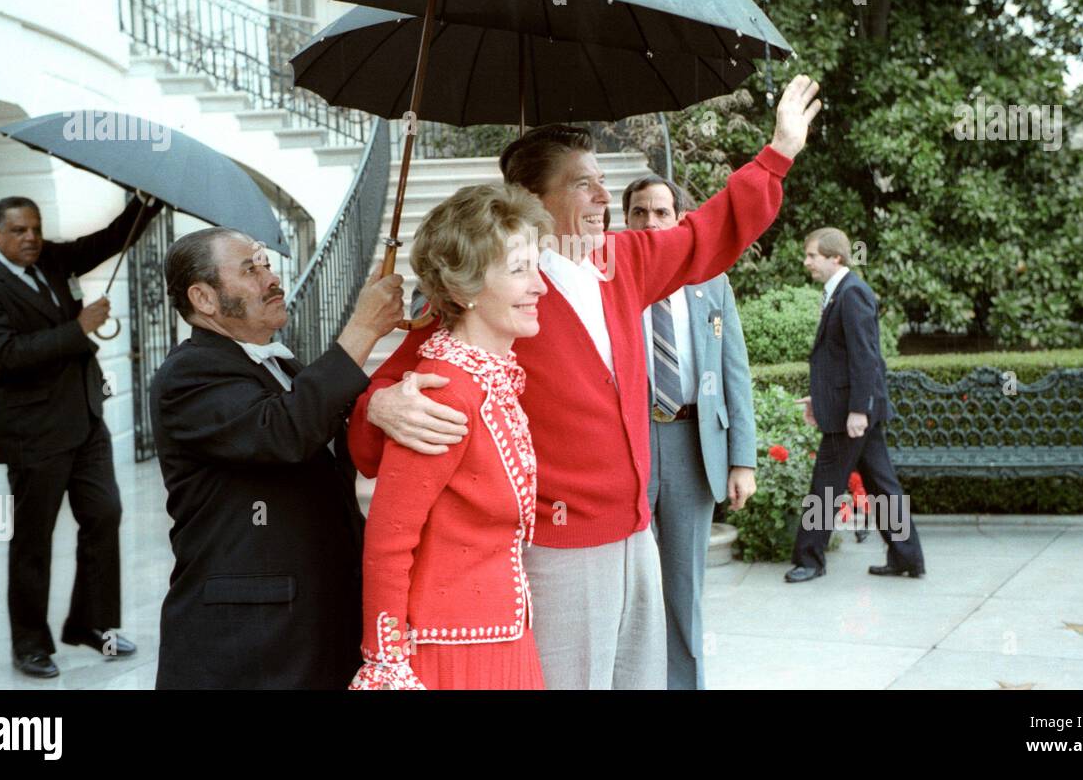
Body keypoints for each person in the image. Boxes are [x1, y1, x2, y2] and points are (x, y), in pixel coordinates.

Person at [350, 75, 821, 689]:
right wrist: (381, 404)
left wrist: (776, 154)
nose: (604, 195)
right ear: (530, 196)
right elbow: (384, 404)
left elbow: (707, 233)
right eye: (582, 182)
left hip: (636, 535)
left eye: (601, 180)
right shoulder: (491, 292)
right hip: (557, 554)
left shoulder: (623, 260)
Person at [151, 228, 401, 689]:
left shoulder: (275, 363)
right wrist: (363, 328)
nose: (272, 277)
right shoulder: (187, 374)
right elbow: (284, 432)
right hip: (250, 643)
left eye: (266, 263)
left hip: (315, 622)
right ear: (204, 298)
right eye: (251, 268)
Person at [351, 184, 551, 690]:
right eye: (518, 270)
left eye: (536, 265)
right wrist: (386, 660)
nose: (540, 286)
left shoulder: (490, 378)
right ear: (463, 290)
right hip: (452, 655)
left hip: (502, 639)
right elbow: (388, 541)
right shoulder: (443, 391)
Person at [0, 193, 161, 678]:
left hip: (85, 419)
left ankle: (93, 625)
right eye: (18, 231)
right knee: (33, 540)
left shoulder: (51, 258)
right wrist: (79, 327)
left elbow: (108, 241)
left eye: (35, 228)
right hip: (34, 431)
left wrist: (144, 206)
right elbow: (8, 355)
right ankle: (29, 643)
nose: (30, 238)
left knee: (104, 514)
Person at [623, 175, 757, 690]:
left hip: (692, 445)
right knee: (633, 584)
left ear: (681, 218)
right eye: (640, 212)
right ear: (626, 219)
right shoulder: (616, 279)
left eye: (661, 212)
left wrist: (741, 460)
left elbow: (734, 372)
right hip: (629, 446)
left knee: (684, 584)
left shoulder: (711, 282)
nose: (651, 222)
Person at [787, 228, 925, 582]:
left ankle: (809, 560)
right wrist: (820, 399)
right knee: (881, 486)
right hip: (850, 410)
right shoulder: (842, 293)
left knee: (825, 486)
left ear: (836, 258)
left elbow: (866, 359)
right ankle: (907, 558)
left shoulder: (852, 294)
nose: (807, 263)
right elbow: (840, 360)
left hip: (853, 415)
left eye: (812, 256)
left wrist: (858, 410)